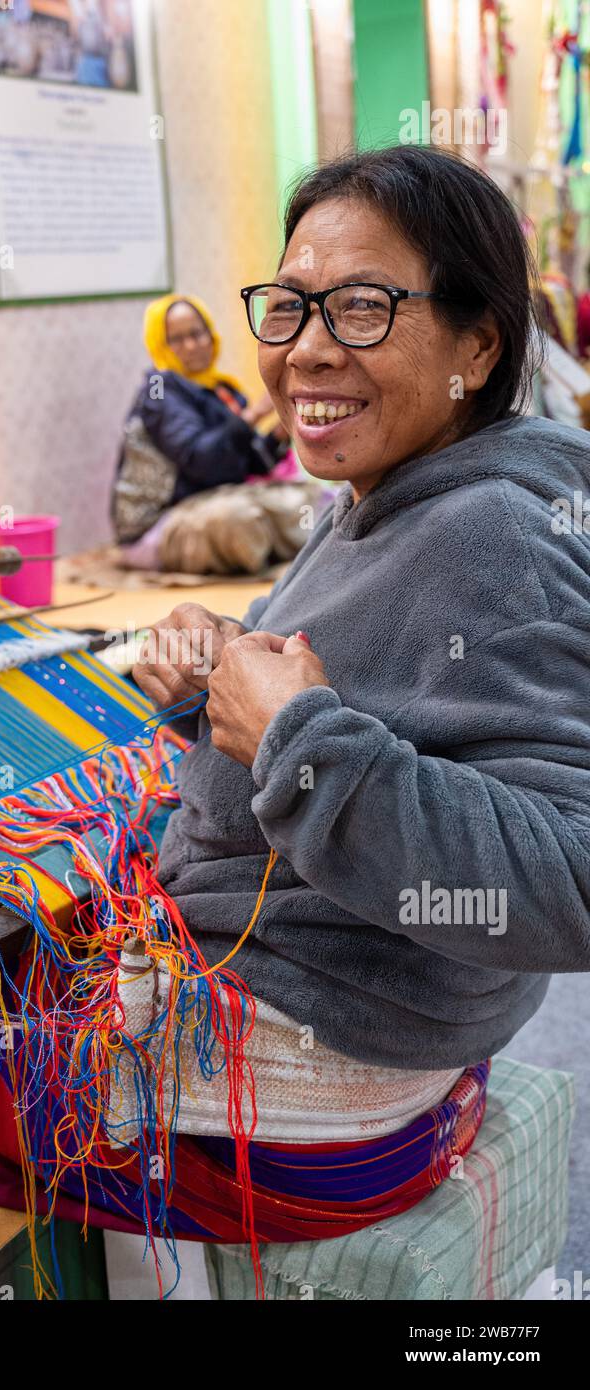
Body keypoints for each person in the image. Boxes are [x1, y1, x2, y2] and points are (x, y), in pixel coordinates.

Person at [132, 145, 590, 1148]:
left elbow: (571, 883)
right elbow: (379, 691)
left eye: (364, 308)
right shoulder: (382, 494)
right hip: (314, 988)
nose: (307, 349)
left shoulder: (490, 539)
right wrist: (211, 675)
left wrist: (300, 740)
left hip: (312, 1034)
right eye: (291, 305)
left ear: (477, 348)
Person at [112, 293, 327, 574]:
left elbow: (251, 465)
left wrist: (284, 428)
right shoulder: (160, 390)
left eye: (196, 333)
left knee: (316, 498)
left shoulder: (223, 390)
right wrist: (254, 414)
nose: (190, 345)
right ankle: (284, 558)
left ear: (211, 335)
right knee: (238, 518)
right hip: (159, 525)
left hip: (217, 498)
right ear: (160, 345)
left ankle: (288, 553)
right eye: (176, 339)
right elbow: (202, 461)